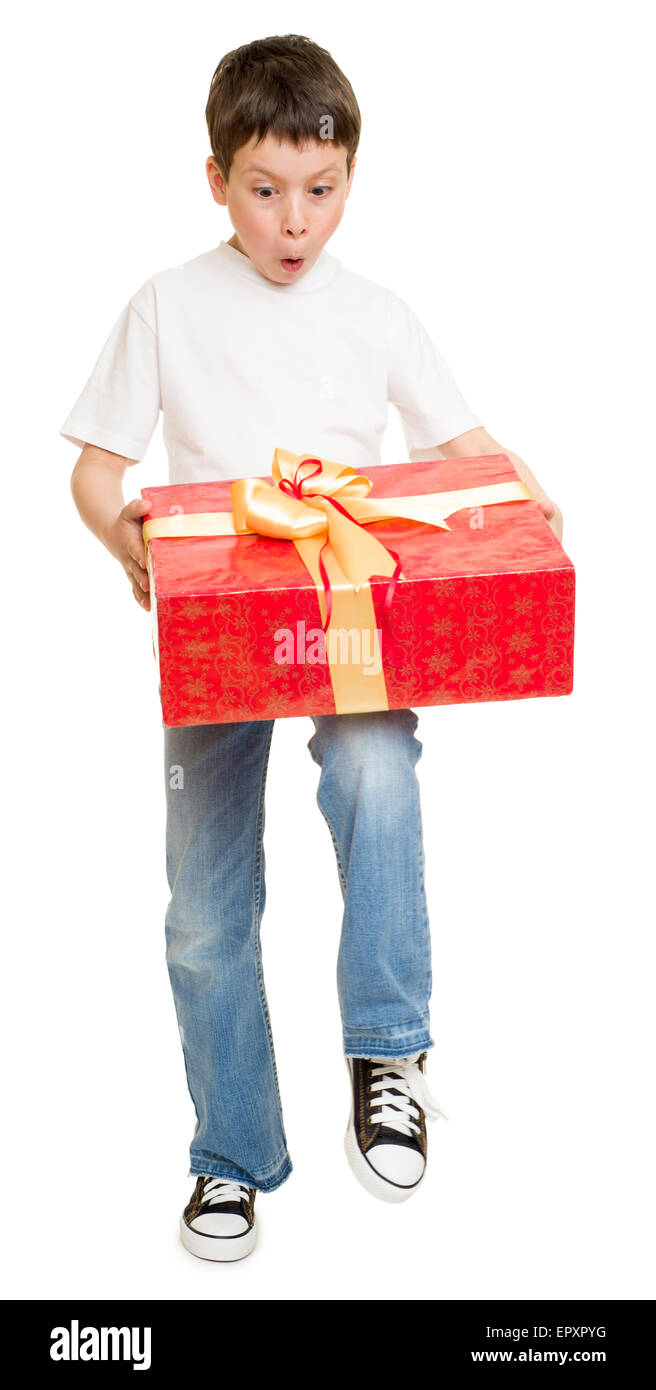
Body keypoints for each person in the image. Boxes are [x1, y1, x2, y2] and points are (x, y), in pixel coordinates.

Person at [61, 34, 562, 1264]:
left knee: (378, 776)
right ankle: (230, 1153)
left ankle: (388, 1049)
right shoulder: (167, 303)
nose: (294, 220)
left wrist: (525, 496)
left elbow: (463, 447)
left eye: (320, 191)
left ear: (352, 178)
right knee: (202, 901)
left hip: (350, 619)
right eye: (264, 189)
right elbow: (96, 468)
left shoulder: (378, 312)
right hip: (219, 629)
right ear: (215, 179)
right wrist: (133, 544)